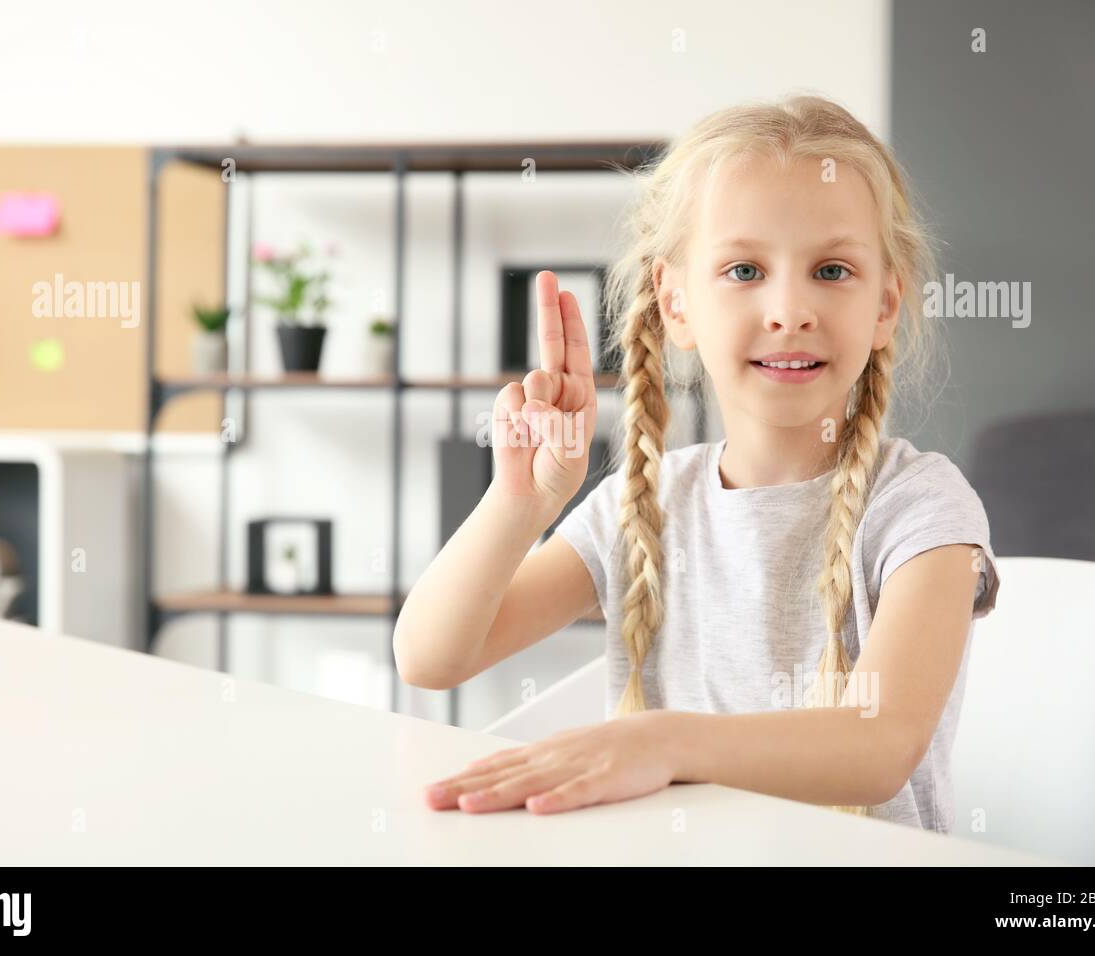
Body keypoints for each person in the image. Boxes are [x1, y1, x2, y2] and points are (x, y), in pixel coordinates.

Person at [394, 94, 1000, 832]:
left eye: (832, 269)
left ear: (884, 305)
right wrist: (520, 504)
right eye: (744, 269)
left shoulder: (922, 506)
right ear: (675, 303)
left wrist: (660, 743)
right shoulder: (645, 504)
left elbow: (879, 745)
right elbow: (430, 657)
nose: (790, 310)